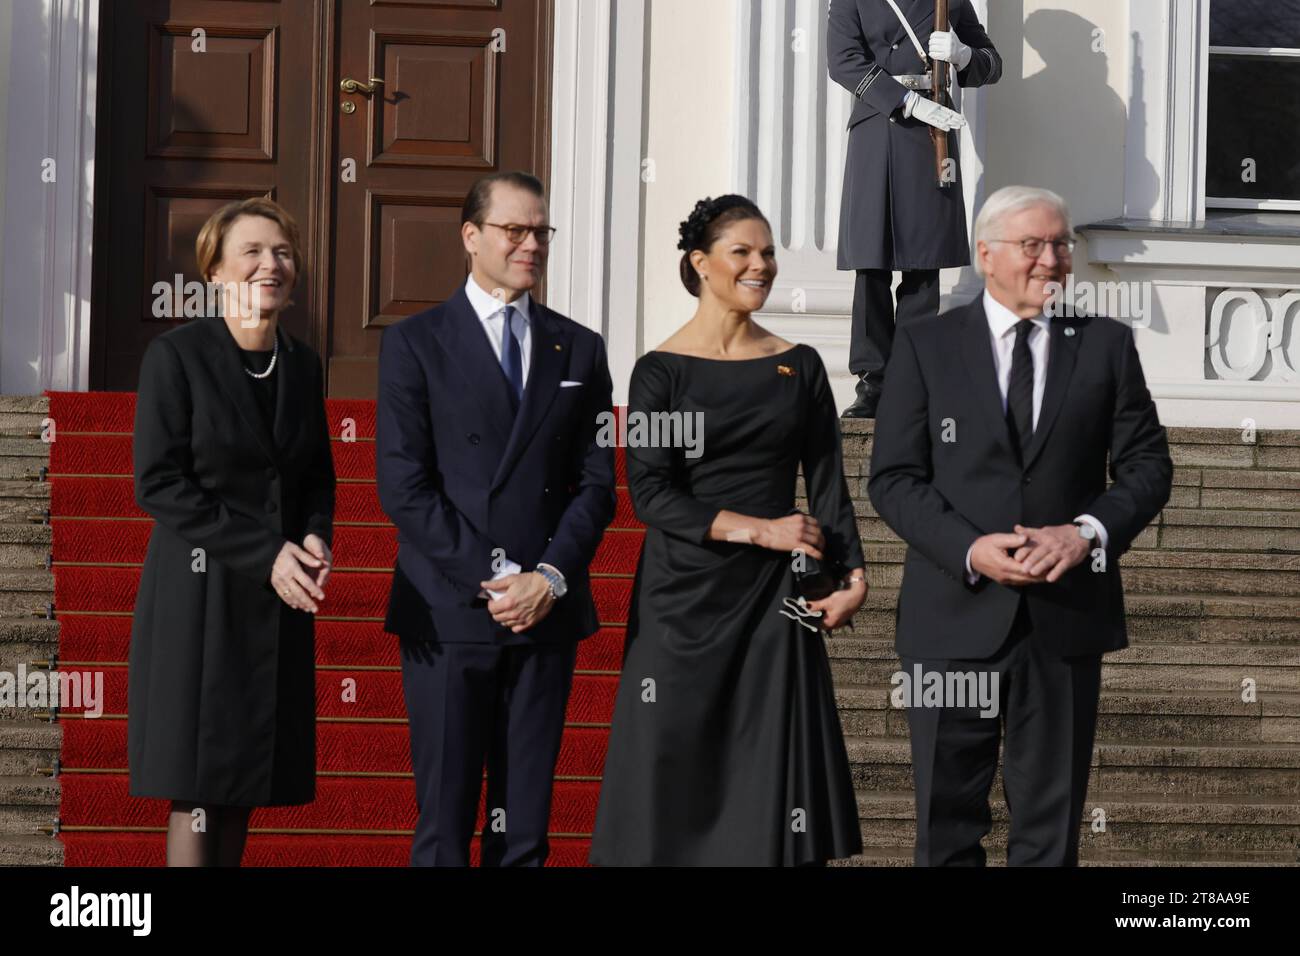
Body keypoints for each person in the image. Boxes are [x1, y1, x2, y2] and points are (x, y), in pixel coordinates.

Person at [867, 186, 1173, 865]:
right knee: (945, 827)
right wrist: (970, 547)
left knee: (1049, 830)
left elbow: (1149, 467)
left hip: (1064, 623)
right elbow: (892, 479)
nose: (1053, 259)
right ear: (986, 254)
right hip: (951, 618)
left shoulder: (1106, 346)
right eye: (1034, 244)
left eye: (1061, 244)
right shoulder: (924, 345)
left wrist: (1085, 532)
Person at [589, 195, 867, 866]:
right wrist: (761, 531)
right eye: (742, 251)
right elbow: (651, 495)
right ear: (701, 263)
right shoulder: (659, 371)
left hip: (776, 604)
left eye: (767, 252)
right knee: (669, 763)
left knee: (764, 772)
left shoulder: (797, 366)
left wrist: (853, 579)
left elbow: (828, 480)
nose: (760, 265)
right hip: (679, 601)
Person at [376, 171, 616, 867]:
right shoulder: (415, 342)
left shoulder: (582, 347)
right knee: (445, 830)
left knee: (526, 837)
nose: (532, 243)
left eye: (541, 231)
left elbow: (596, 484)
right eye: (516, 229)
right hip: (449, 609)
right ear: (471, 236)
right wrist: (498, 574)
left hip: (546, 614)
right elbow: (404, 485)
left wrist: (547, 577)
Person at [129, 198, 336, 866]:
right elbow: (158, 482)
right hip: (199, 594)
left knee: (246, 777)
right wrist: (265, 550)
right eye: (251, 251)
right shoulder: (176, 357)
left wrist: (313, 538)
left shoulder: (302, 365)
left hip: (275, 602)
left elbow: (314, 478)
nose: (269, 264)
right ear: (215, 271)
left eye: (281, 252)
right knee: (197, 784)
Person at [828, 0, 1002, 418]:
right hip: (879, 126)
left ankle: (913, 378)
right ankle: (873, 382)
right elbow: (843, 61)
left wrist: (963, 56)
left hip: (933, 130)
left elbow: (992, 65)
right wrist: (905, 101)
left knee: (924, 266)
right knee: (871, 262)